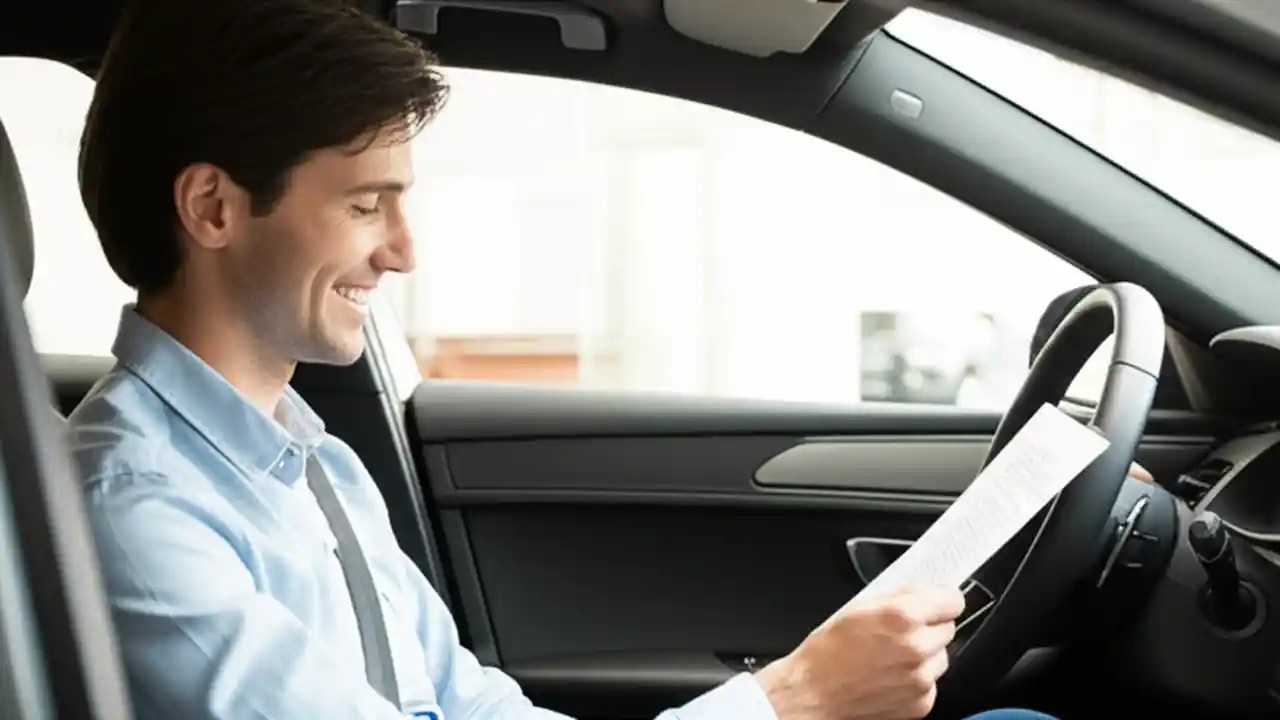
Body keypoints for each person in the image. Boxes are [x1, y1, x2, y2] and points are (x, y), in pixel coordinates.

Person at [65, 1, 1134, 718]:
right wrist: (792, 700)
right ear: (213, 208)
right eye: (363, 206)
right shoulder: (133, 515)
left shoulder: (311, 464)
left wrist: (790, 694)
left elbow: (471, 707)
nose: (402, 251)